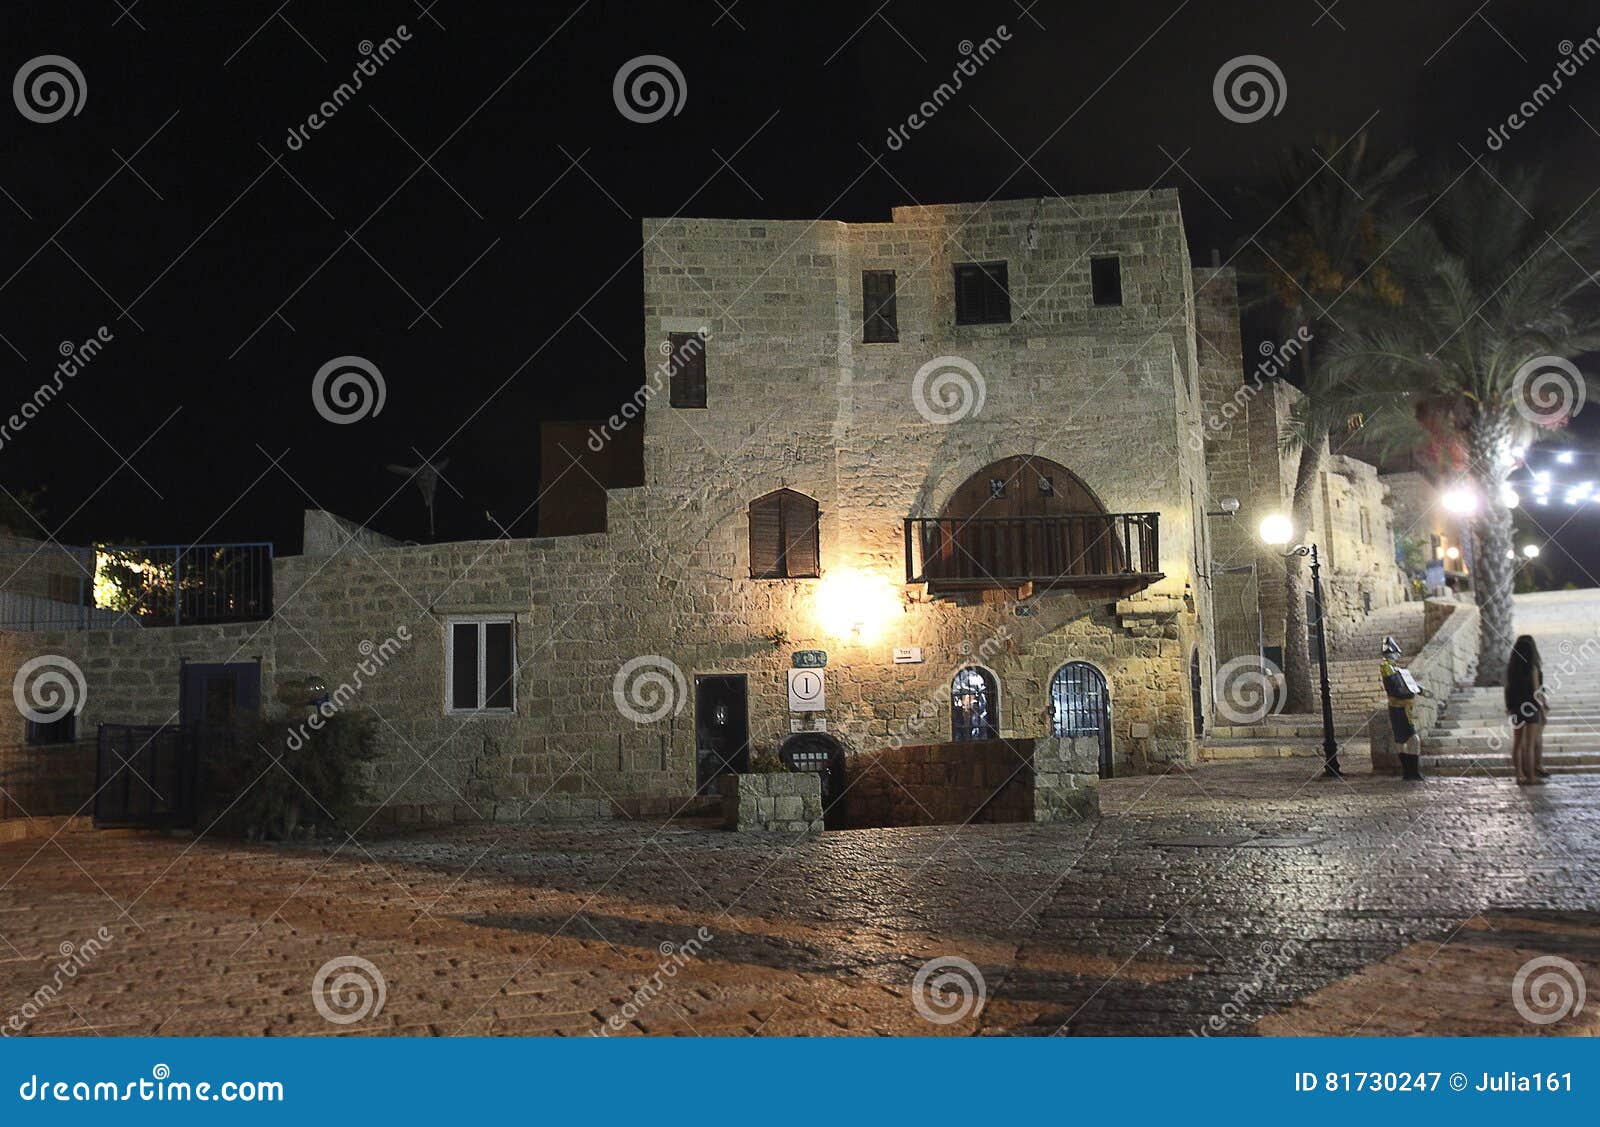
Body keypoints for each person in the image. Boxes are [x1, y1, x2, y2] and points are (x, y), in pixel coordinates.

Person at [1380, 636, 1431, 781]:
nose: (1397, 656)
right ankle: (1411, 772)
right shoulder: (1388, 668)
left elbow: (1405, 684)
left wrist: (1420, 690)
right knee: (1413, 740)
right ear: (1393, 652)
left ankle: (1408, 772)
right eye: (1396, 653)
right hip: (1400, 707)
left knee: (1401, 740)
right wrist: (1412, 692)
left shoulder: (1392, 668)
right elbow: (1396, 689)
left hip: (1400, 708)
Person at [1506, 635, 1548, 785]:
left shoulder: (1512, 668)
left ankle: (1519, 775)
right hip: (1531, 707)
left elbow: (1508, 688)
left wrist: (1509, 707)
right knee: (1529, 745)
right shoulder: (1532, 667)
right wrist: (1542, 711)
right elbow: (1536, 692)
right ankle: (1531, 777)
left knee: (1517, 743)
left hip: (1516, 707)